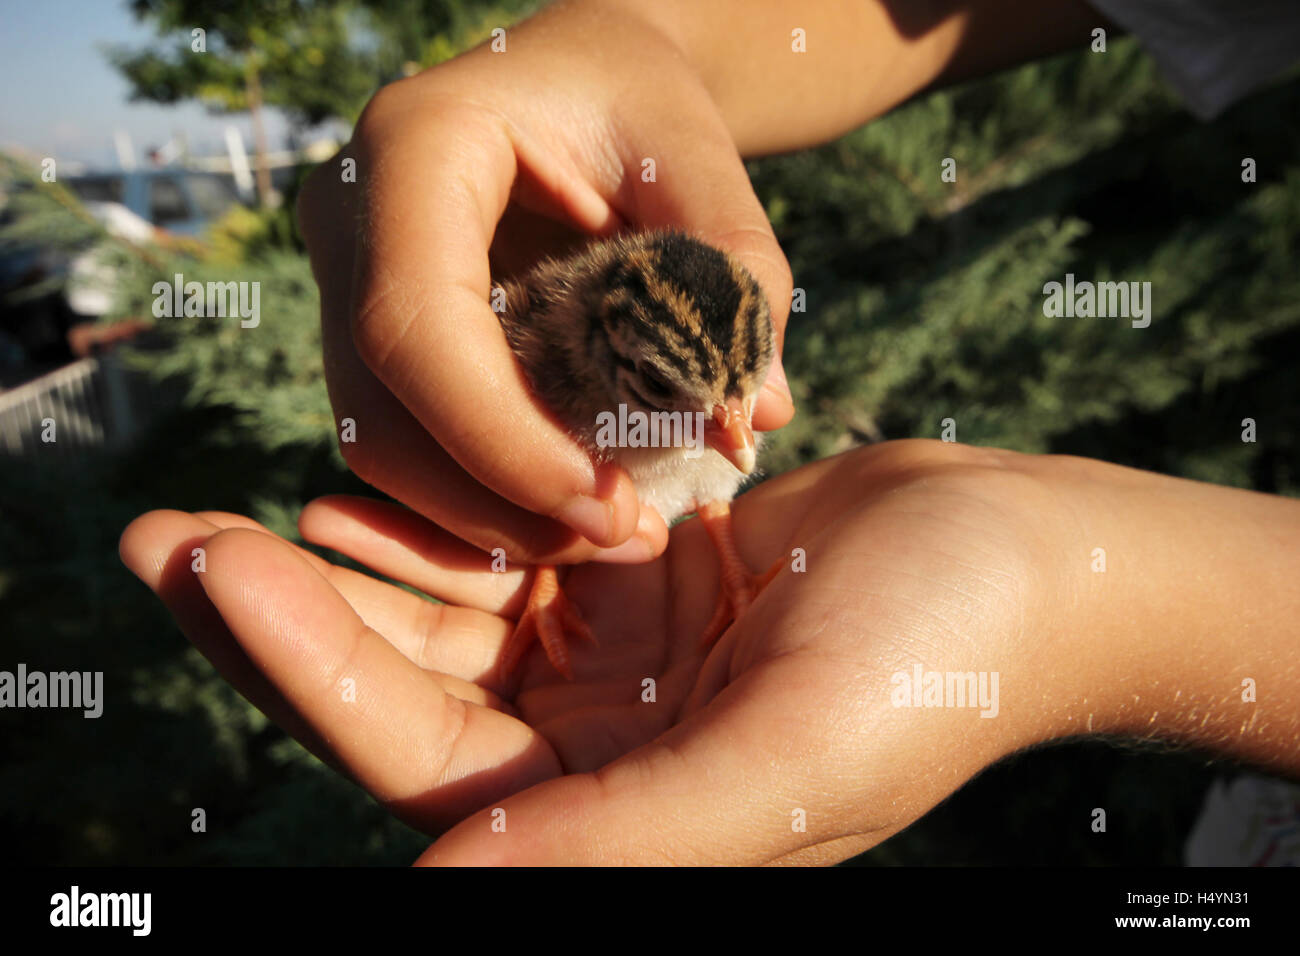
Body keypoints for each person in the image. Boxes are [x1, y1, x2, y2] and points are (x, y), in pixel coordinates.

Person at [121, 0, 1300, 864]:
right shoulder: (547, 332)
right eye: (703, 399)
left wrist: (1067, 602)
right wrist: (638, 33)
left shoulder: (684, 389)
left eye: (738, 394)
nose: (741, 433)